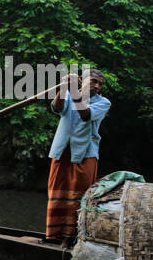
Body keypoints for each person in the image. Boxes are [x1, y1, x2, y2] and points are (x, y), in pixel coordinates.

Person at [45, 68, 110, 243]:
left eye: (99, 84)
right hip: (62, 151)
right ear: (83, 80)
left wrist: (74, 91)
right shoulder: (69, 94)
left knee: (79, 196)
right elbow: (57, 107)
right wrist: (64, 87)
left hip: (85, 154)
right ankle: (54, 236)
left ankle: (72, 238)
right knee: (57, 193)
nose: (96, 86)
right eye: (93, 81)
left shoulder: (103, 103)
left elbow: (85, 114)